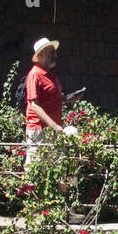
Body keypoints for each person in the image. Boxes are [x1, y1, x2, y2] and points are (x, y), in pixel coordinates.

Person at [24, 38, 79, 168]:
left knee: (56, 166)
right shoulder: (35, 74)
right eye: (51, 53)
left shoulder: (50, 74)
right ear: (41, 55)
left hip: (53, 129)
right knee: (35, 168)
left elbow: (51, 98)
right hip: (39, 130)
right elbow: (34, 105)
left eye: (55, 52)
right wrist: (54, 125)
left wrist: (67, 98)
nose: (55, 56)